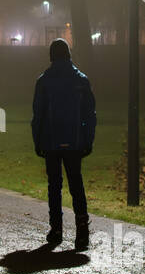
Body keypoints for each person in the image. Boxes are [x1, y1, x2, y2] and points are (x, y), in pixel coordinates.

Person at [31, 38, 97, 249]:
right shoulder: (81, 80)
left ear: (51, 55)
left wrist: (37, 140)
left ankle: (56, 229)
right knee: (76, 183)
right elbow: (90, 113)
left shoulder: (44, 81)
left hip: (51, 140)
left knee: (54, 185)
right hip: (75, 139)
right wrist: (88, 139)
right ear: (69, 54)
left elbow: (38, 114)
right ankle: (82, 231)